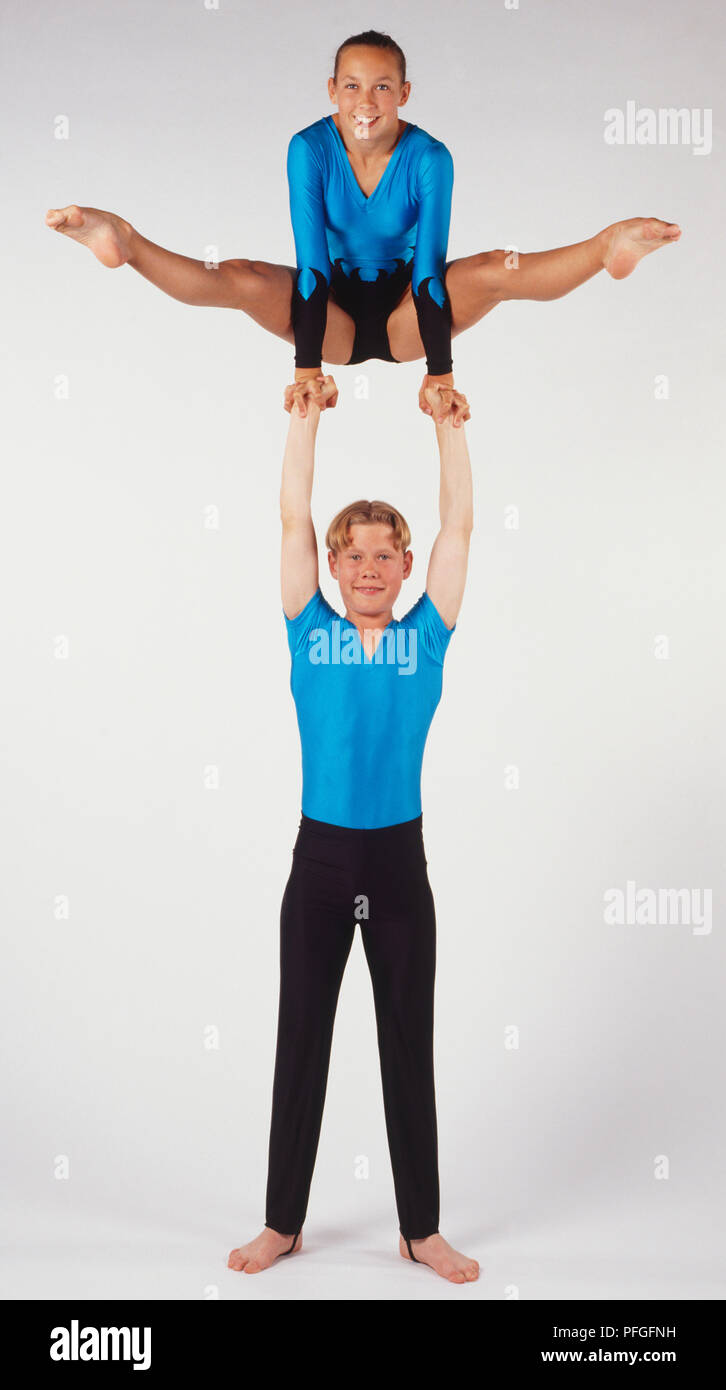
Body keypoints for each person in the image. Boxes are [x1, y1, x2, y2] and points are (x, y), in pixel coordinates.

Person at [45, 30, 681, 421]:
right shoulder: (309, 149)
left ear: (404, 93)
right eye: (351, 86)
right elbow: (313, 266)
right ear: (331, 90)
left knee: (493, 268)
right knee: (240, 276)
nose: (366, 102)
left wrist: (440, 374)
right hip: (330, 322)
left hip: (410, 313)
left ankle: (606, 246)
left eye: (381, 87)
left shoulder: (430, 158)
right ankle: (125, 242)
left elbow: (431, 272)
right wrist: (305, 371)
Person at [227, 376, 478, 1281]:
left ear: (405, 569)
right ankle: (282, 1221)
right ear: (335, 569)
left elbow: (460, 528)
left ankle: (421, 1228)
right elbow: (290, 518)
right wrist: (304, 422)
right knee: (303, 1037)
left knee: (409, 1042)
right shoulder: (310, 631)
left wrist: (449, 430)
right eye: (355, 556)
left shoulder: (426, 638)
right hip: (323, 863)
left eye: (385, 556)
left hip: (400, 865)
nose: (370, 568)